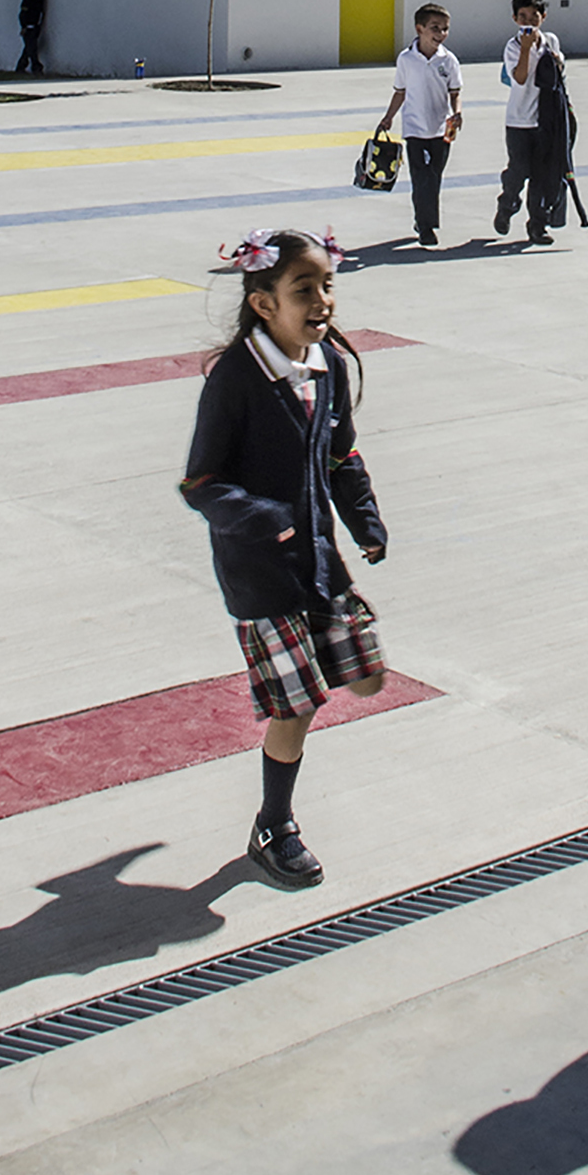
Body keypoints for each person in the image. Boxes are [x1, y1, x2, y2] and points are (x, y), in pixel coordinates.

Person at [178, 229, 388, 888]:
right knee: (294, 707)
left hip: (318, 560)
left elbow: (340, 454)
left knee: (366, 678)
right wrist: (259, 518)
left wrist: (365, 519)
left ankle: (304, 689)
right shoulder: (237, 381)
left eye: (327, 285)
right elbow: (201, 484)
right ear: (264, 303)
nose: (323, 300)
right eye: (305, 289)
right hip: (258, 572)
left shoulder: (327, 365)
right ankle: (275, 826)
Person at [376, 2, 463, 246]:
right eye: (435, 28)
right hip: (414, 129)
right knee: (421, 177)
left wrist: (457, 113)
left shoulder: (449, 60)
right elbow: (400, 92)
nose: (441, 34)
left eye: (445, 29)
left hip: (441, 129)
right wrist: (389, 116)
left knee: (434, 177)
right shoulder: (406, 59)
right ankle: (426, 227)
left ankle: (422, 218)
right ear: (419, 28)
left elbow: (455, 92)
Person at [495, 0, 566, 245]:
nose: (528, 22)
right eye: (522, 16)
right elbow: (520, 78)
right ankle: (507, 204)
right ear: (515, 19)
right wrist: (526, 49)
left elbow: (558, 76)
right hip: (519, 121)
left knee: (542, 175)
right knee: (518, 170)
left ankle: (537, 225)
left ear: (543, 17)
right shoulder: (513, 46)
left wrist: (556, 61)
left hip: (545, 121)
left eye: (533, 16)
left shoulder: (551, 41)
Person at [16, 0, 51, 75]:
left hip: (36, 25)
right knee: (32, 48)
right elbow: (23, 12)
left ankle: (21, 66)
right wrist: (24, 26)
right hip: (29, 25)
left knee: (29, 48)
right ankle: (36, 67)